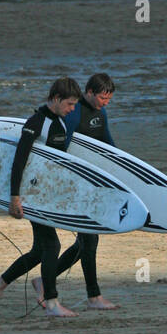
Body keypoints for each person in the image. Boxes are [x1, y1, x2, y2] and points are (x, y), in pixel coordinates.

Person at [0, 77, 82, 319]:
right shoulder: (36, 122)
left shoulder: (59, 122)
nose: (72, 110)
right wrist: (14, 197)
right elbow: (19, 160)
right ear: (56, 99)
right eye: (69, 104)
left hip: (46, 195)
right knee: (52, 245)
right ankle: (51, 302)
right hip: (31, 195)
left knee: (40, 250)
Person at [51, 73, 119, 312]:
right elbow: (61, 148)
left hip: (91, 186)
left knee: (86, 241)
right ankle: (94, 297)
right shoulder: (75, 112)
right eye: (102, 97)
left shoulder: (101, 113)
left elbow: (109, 146)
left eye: (108, 99)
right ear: (89, 92)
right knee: (89, 239)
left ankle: (46, 280)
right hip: (74, 185)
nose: (105, 102)